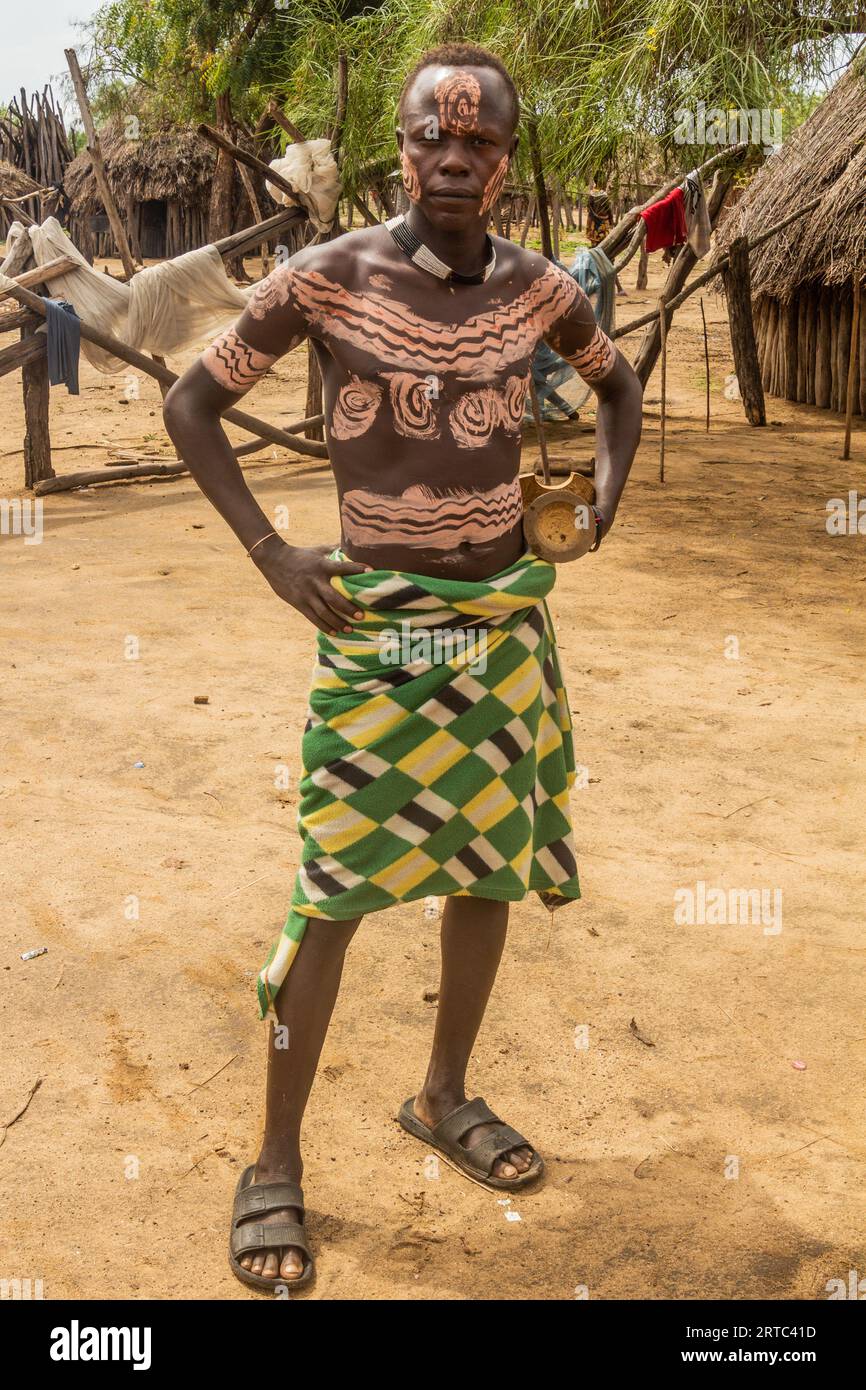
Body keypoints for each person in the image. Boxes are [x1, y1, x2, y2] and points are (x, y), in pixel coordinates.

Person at [163, 41, 643, 1293]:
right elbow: (188, 407)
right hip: (378, 637)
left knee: (480, 868)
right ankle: (273, 1157)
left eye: (478, 140)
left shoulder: (540, 290)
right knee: (331, 891)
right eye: (433, 132)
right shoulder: (328, 279)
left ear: (501, 161)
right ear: (399, 146)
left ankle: (440, 1093)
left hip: (498, 632)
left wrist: (597, 499)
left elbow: (616, 387)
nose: (453, 155)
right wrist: (271, 550)